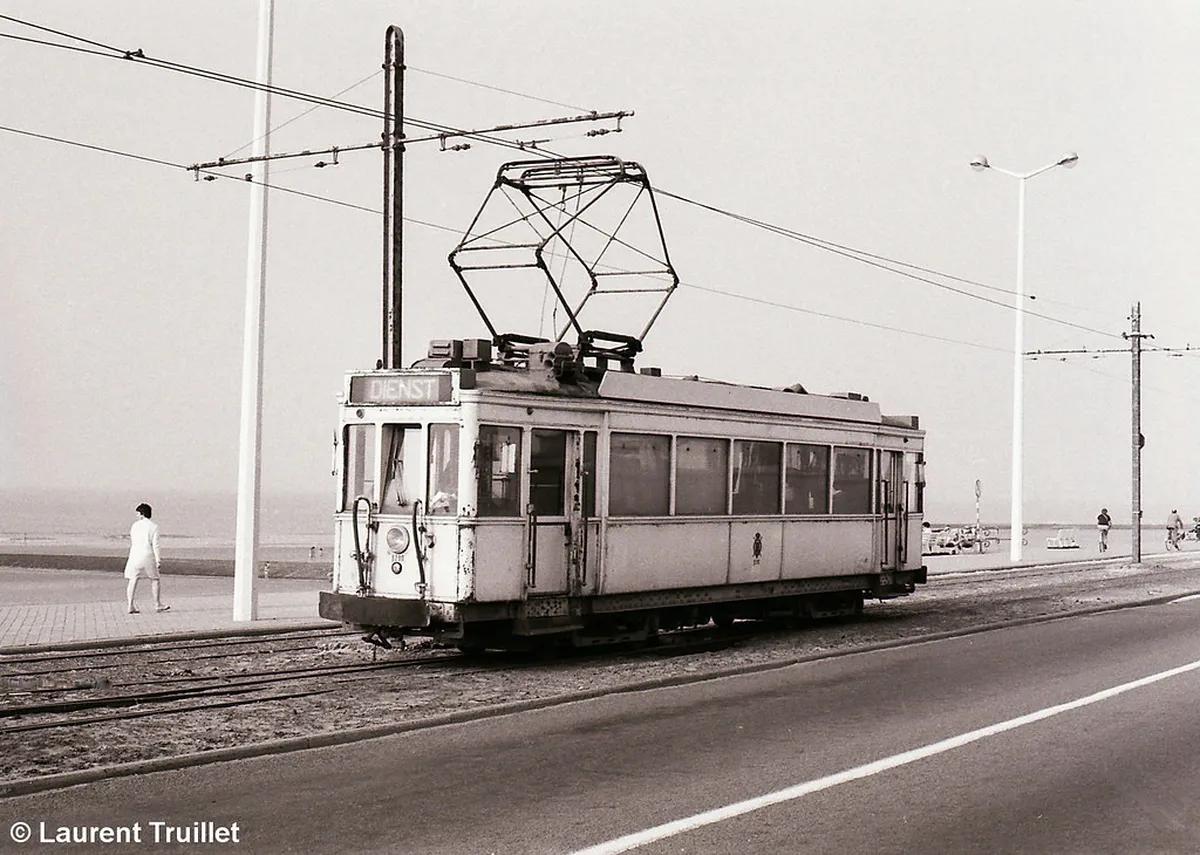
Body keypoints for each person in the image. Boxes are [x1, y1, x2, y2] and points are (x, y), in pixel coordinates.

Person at [125, 502, 169, 614]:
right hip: (147, 555)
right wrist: (158, 559)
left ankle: (130, 605)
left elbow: (133, 541)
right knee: (155, 579)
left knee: (133, 579)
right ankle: (157, 604)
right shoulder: (154, 526)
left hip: (135, 555)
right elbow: (156, 545)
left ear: (142, 514)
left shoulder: (135, 525)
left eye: (138, 513)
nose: (137, 515)